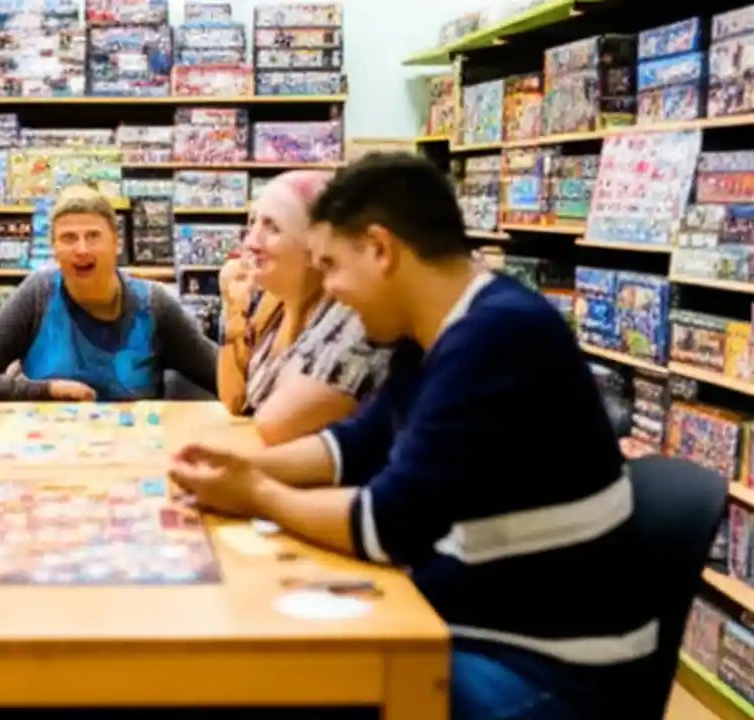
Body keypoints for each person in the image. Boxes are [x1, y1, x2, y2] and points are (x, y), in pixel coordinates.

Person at [169, 154, 653, 719]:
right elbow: (356, 445)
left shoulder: (497, 334)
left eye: (331, 266)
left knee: (267, 687)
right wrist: (235, 470)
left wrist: (256, 494)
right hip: (479, 623)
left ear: (380, 248)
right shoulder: (442, 327)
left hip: (549, 670)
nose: (329, 289)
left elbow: (386, 523)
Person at [0, 185, 217, 401]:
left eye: (93, 236)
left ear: (116, 243)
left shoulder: (154, 305)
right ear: (53, 249)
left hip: (133, 457)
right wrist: (47, 390)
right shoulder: (38, 295)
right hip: (49, 455)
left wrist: (239, 326)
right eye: (68, 238)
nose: (82, 249)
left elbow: (222, 377)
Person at [217, 170, 389, 445]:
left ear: (314, 247)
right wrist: (234, 308)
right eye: (253, 223)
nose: (251, 241)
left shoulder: (348, 314)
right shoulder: (269, 303)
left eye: (272, 227)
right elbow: (235, 402)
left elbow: (276, 422)